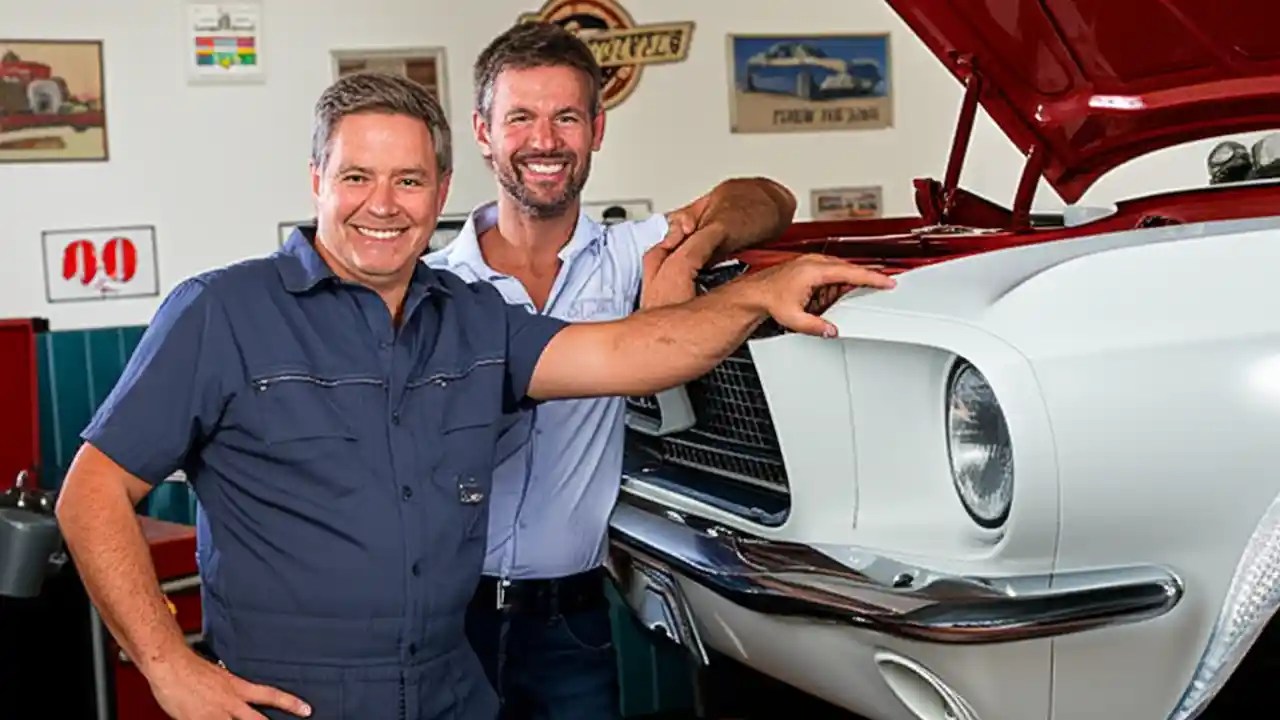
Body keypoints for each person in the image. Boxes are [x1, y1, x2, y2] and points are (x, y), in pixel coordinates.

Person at [53, 71, 893, 720]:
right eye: (356, 177)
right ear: (316, 178)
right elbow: (91, 493)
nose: (383, 205)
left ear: (444, 185)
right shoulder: (220, 311)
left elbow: (633, 354)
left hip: (454, 685)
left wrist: (753, 296)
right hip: (287, 697)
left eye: (409, 181)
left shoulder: (473, 317)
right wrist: (168, 667)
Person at [424, 21, 797, 719]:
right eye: (521, 118)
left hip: (574, 622)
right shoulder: (431, 285)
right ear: (482, 131)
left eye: (566, 116)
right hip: (445, 622)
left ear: (597, 129)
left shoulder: (630, 254)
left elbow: (770, 196)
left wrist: (690, 254)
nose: (544, 140)